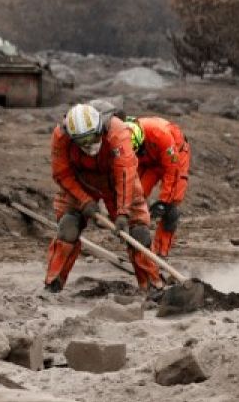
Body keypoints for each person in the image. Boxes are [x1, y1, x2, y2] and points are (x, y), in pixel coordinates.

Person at [44, 103, 164, 293]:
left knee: (138, 232)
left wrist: (123, 213)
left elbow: (125, 173)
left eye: (92, 137)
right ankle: (53, 284)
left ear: (100, 128)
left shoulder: (117, 132)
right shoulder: (61, 136)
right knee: (68, 228)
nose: (89, 145)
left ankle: (151, 286)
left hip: (118, 181)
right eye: (82, 141)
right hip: (79, 181)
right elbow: (61, 174)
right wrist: (84, 201)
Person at [125, 116, 191, 258]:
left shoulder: (161, 135)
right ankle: (137, 244)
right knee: (135, 196)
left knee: (171, 207)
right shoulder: (124, 137)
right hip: (149, 160)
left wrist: (163, 202)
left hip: (176, 155)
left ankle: (161, 252)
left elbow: (172, 170)